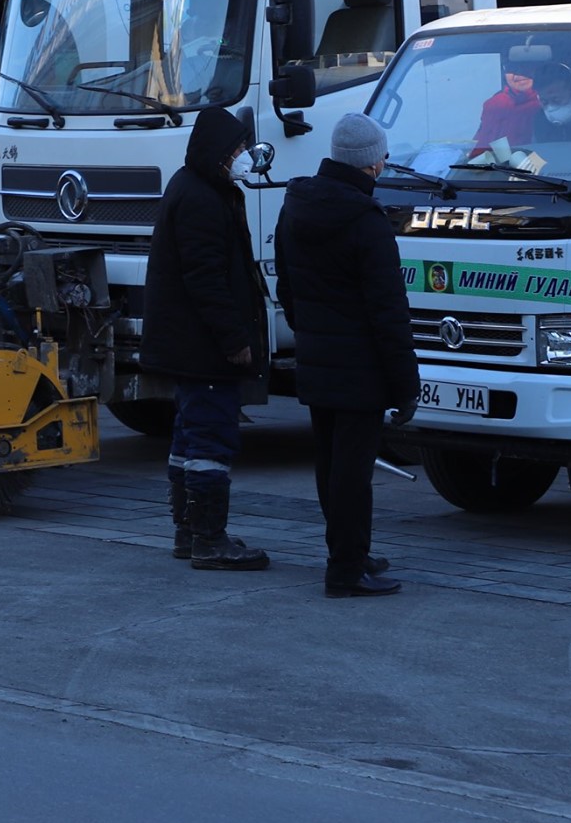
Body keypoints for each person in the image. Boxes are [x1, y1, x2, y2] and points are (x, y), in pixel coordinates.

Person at [275, 113, 421, 599]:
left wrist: (312, 334)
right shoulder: (367, 223)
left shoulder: (296, 206)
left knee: (330, 463)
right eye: (382, 156)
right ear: (373, 164)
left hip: (318, 360)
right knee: (354, 473)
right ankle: (345, 569)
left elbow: (287, 287)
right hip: (360, 369)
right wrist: (406, 385)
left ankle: (350, 551)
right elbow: (388, 313)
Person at [139, 106, 270, 571]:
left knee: (190, 436)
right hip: (203, 346)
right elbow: (206, 279)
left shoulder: (195, 186)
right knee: (211, 438)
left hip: (187, 344)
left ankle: (189, 533)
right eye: (236, 149)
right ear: (218, 151)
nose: (241, 157)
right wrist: (235, 339)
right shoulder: (202, 197)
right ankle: (209, 540)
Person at [471, 69, 540, 153]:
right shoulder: (493, 103)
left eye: (526, 66)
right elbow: (482, 141)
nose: (518, 73)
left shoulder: (547, 103)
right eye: (511, 68)